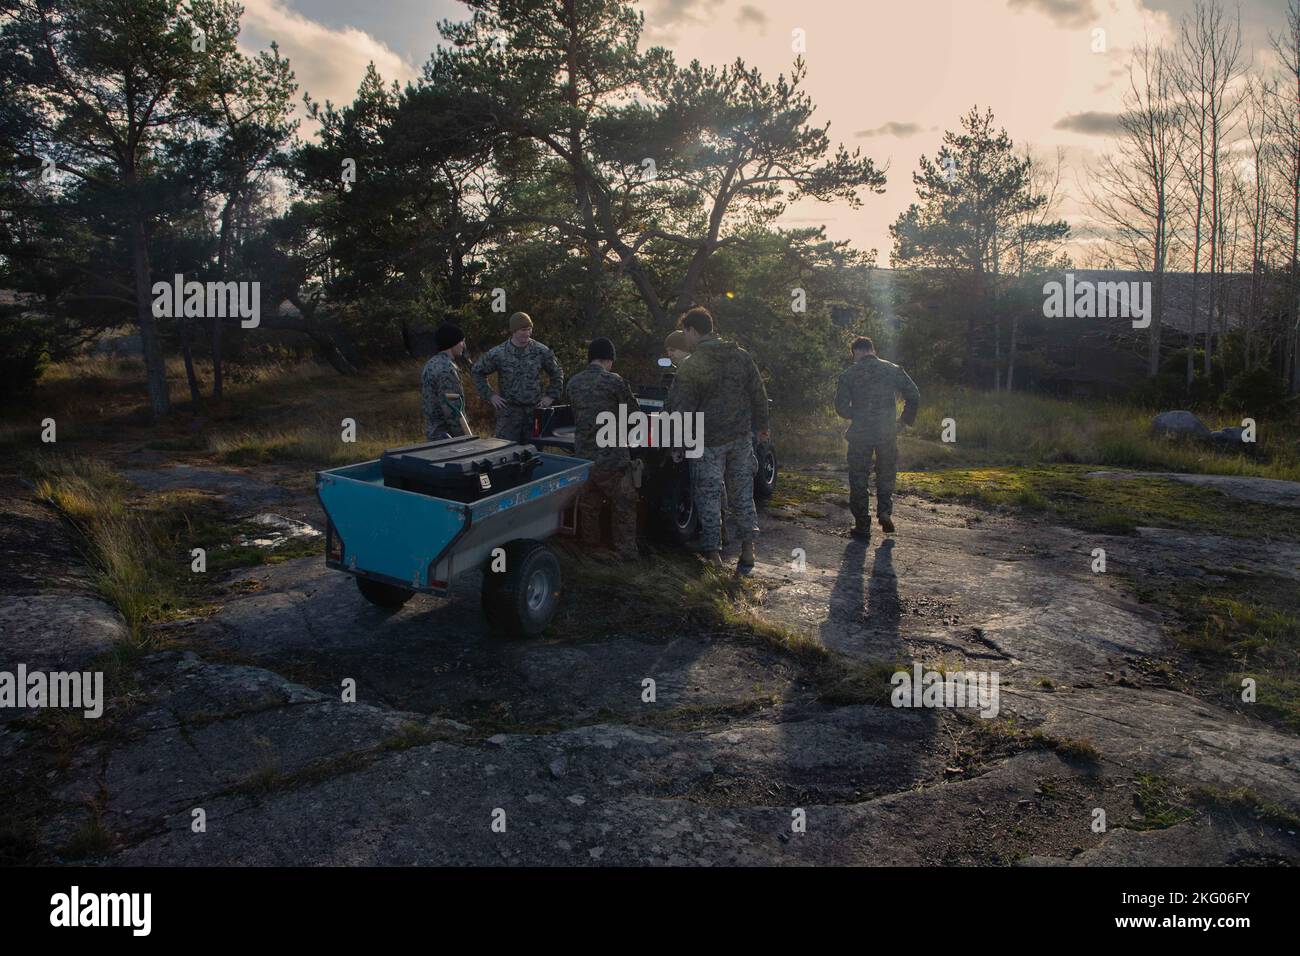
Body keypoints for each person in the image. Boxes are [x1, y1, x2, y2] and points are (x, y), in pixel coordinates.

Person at [665, 306, 769, 571]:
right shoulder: (741, 356)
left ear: (691, 330)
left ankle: (713, 554)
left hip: (706, 441)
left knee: (708, 495)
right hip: (740, 437)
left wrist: (676, 443)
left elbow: (680, 407)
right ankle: (748, 550)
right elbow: (758, 393)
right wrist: (762, 428)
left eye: (685, 333)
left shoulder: (693, 364)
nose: (684, 338)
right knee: (743, 494)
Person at [834, 336, 920, 538]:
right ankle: (884, 512)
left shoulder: (849, 374)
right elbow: (914, 394)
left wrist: (856, 414)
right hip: (887, 432)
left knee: (858, 479)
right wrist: (903, 421)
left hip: (860, 435)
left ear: (855, 352)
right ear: (872, 350)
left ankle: (863, 525)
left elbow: (840, 407)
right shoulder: (892, 369)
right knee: (886, 474)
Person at [566, 337, 639, 560]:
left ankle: (591, 548)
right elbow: (633, 414)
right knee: (624, 503)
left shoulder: (573, 382)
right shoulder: (614, 381)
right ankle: (625, 551)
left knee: (589, 503)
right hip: (611, 458)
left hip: (584, 457)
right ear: (608, 360)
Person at [471, 311, 564, 444]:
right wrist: (490, 395)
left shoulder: (541, 351)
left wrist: (550, 396)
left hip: (534, 413)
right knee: (504, 453)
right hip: (508, 414)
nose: (527, 333)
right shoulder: (499, 353)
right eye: (523, 330)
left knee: (533, 454)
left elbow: (557, 371)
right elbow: (477, 372)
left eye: (529, 329)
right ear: (514, 331)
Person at [420, 324, 469, 441]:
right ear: (452, 343)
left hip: (434, 433)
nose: (464, 346)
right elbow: (453, 410)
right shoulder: (447, 369)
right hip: (448, 437)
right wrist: (466, 439)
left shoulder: (430, 364)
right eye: (462, 341)